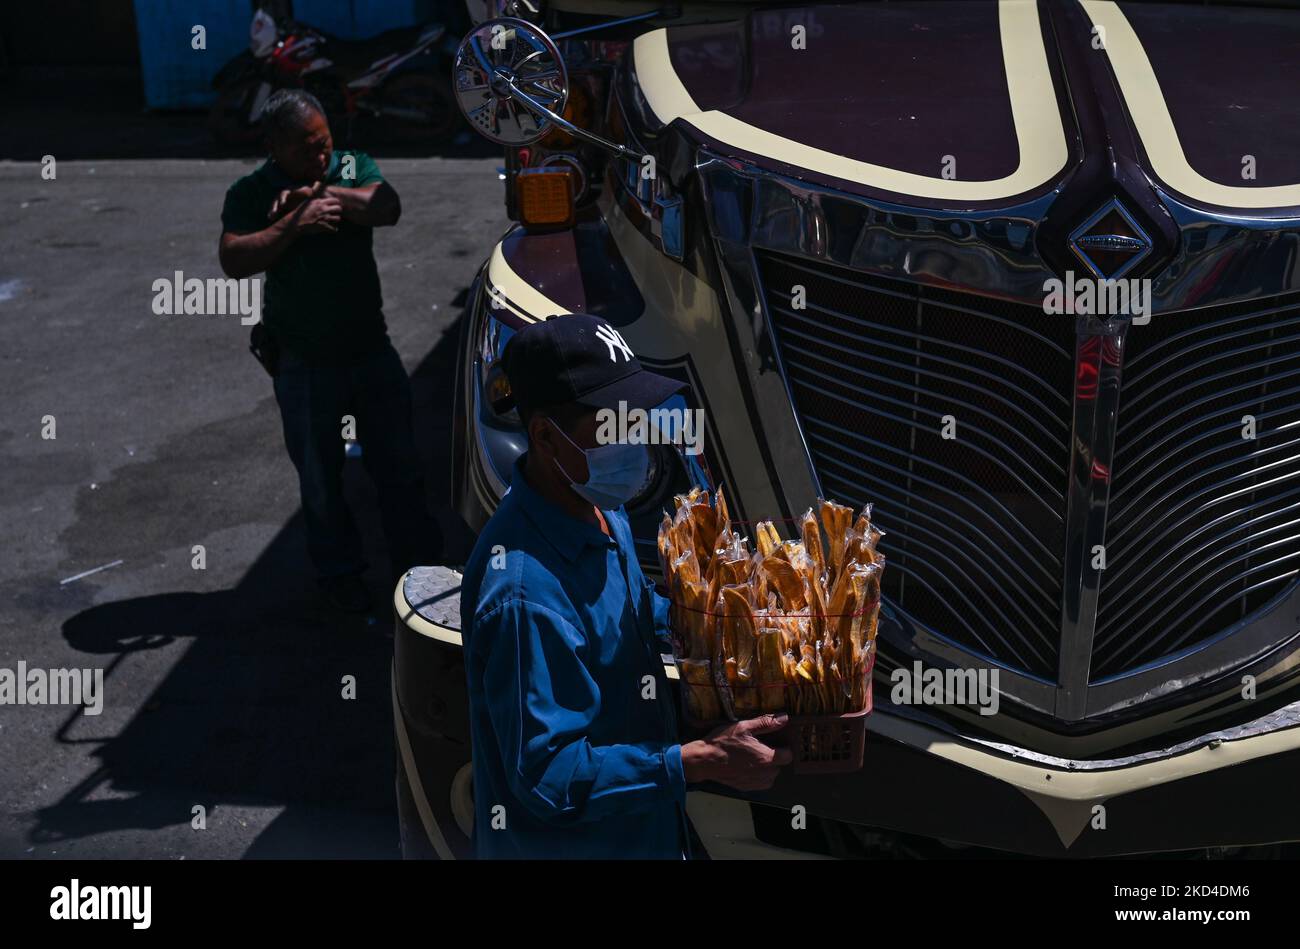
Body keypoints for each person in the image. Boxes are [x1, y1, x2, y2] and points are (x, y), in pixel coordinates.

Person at [459, 314, 791, 859]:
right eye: (614, 424)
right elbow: (549, 778)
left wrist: (712, 619)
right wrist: (699, 759)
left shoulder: (599, 512)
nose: (636, 435)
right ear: (546, 436)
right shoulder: (523, 596)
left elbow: (633, 612)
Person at [218, 89, 440, 612]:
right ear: (273, 146)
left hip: (370, 349)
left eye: (324, 143)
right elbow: (233, 259)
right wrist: (293, 224)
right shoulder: (251, 190)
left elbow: (387, 206)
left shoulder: (349, 164)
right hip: (303, 361)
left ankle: (422, 576)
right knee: (320, 480)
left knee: (400, 469)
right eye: (305, 149)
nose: (321, 156)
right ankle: (341, 580)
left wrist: (326, 197)